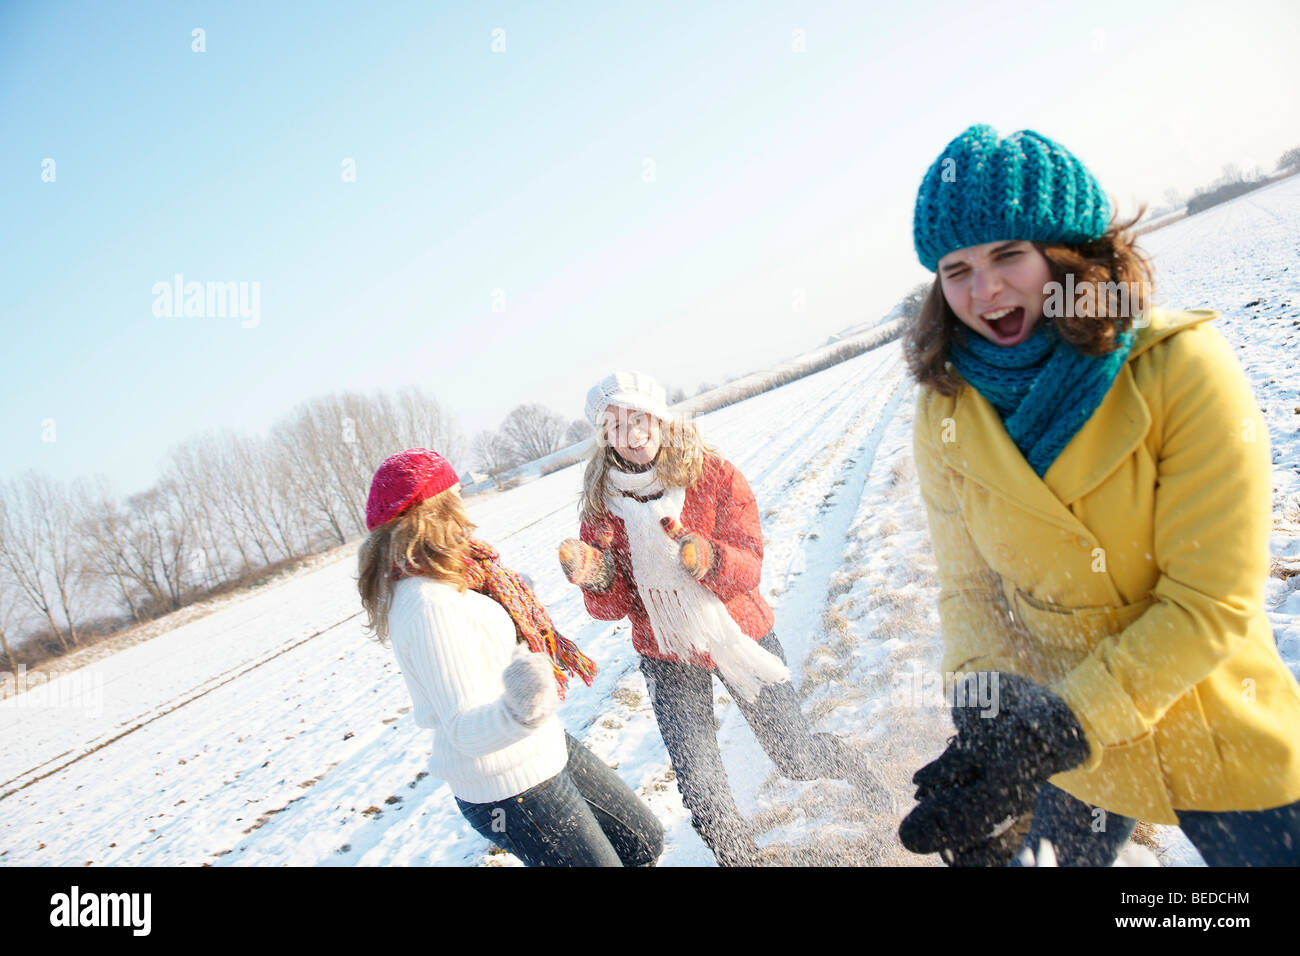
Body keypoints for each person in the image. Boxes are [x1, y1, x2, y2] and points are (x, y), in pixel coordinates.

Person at [897, 124, 1300, 866]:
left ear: (1069, 256)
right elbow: (970, 589)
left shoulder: (1179, 367)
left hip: (1208, 719)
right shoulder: (945, 411)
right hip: (1072, 749)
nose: (983, 291)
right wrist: (989, 723)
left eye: (1008, 255)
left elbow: (1210, 601)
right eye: (956, 269)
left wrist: (1055, 726)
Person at [558, 372, 895, 866]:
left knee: (796, 756)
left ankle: (861, 771)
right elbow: (613, 608)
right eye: (615, 425)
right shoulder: (600, 506)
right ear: (603, 434)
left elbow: (749, 565)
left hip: (737, 632)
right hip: (665, 652)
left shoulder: (711, 475)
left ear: (659, 418)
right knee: (702, 789)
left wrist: (704, 559)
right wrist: (596, 576)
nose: (631, 435)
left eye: (639, 419)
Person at [357, 447, 663, 867]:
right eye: (456, 494)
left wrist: (508, 608)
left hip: (543, 747)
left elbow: (479, 639)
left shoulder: (456, 575)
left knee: (641, 841)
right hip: (509, 789)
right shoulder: (428, 604)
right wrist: (520, 709)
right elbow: (464, 729)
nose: (464, 506)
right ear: (434, 509)